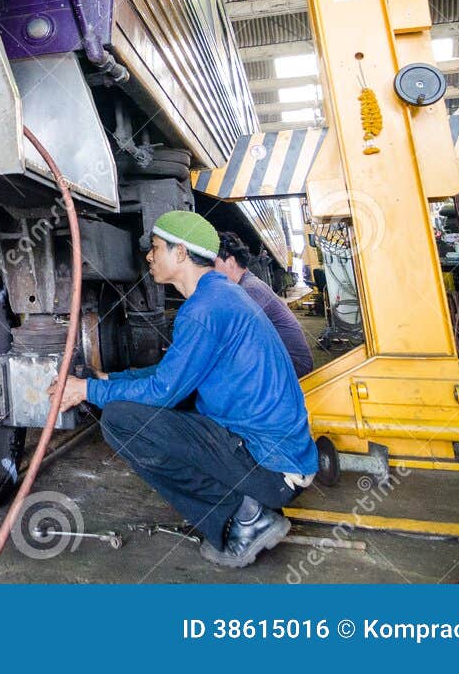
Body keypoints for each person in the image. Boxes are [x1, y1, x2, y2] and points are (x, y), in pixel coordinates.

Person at [51, 210, 317, 569]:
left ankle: (245, 517)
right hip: (278, 460)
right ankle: (247, 509)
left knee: (121, 419)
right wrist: (109, 380)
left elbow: (163, 392)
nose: (148, 256)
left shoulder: (203, 310)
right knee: (136, 406)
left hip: (272, 469)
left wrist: (88, 392)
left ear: (180, 254)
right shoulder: (219, 295)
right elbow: (170, 373)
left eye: (156, 248)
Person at [216, 232, 314, 376]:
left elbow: (230, 341)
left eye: (212, 265)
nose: (207, 271)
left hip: (293, 366)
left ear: (230, 262)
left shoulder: (249, 290)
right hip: (283, 360)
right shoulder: (249, 283)